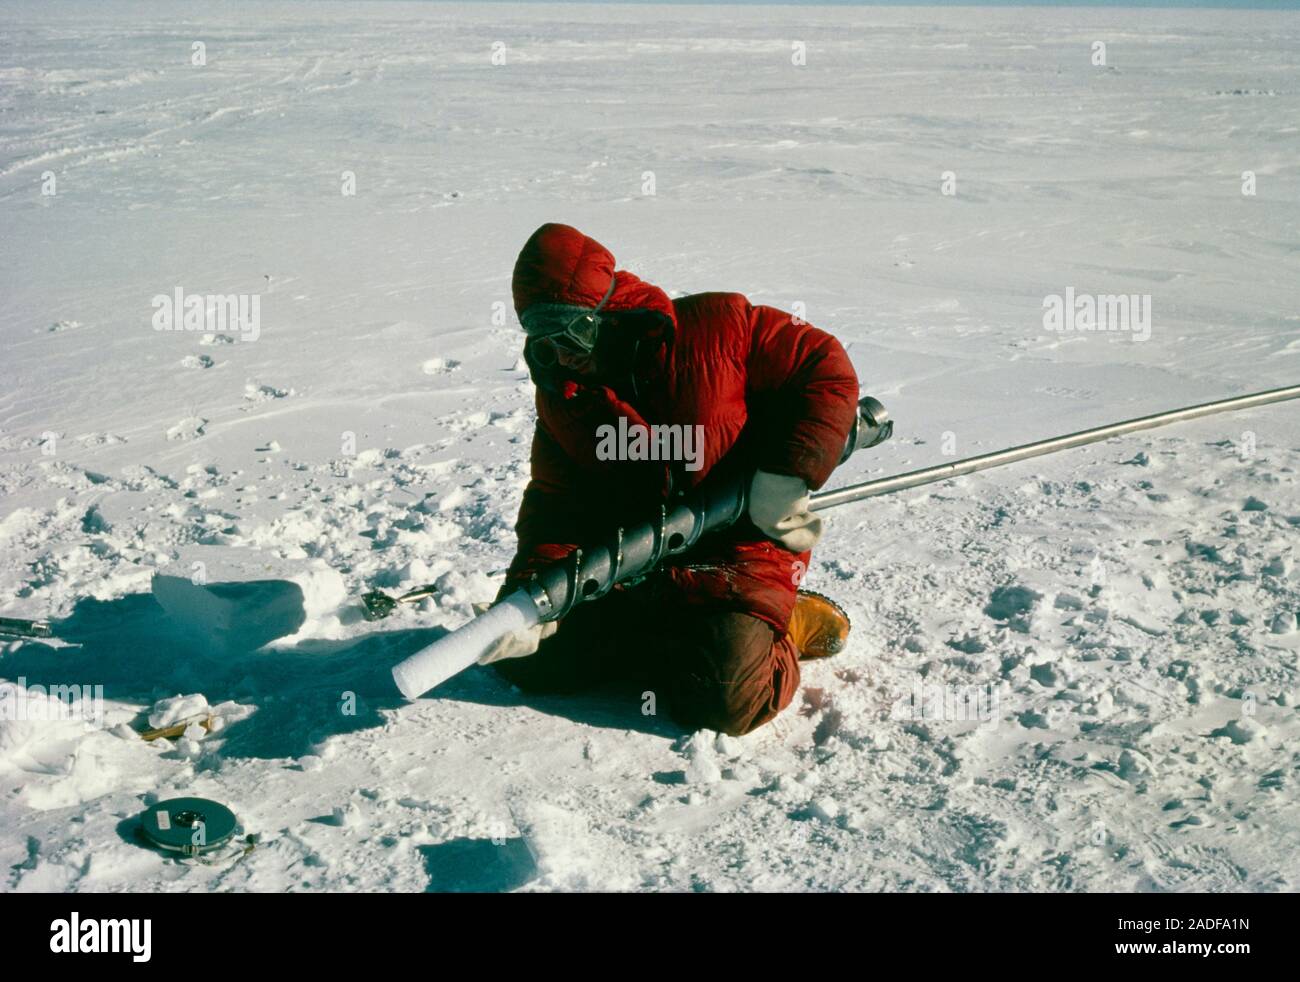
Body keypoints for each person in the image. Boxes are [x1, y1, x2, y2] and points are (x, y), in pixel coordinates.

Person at [482, 222, 860, 736]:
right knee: (535, 664)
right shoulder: (564, 397)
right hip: (637, 557)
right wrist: (534, 590)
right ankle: (683, 634)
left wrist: (788, 475)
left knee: (726, 702)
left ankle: (785, 627)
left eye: (574, 331)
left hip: (738, 545)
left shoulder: (718, 327)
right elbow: (556, 499)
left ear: (609, 311)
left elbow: (823, 366)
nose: (564, 355)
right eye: (545, 342)